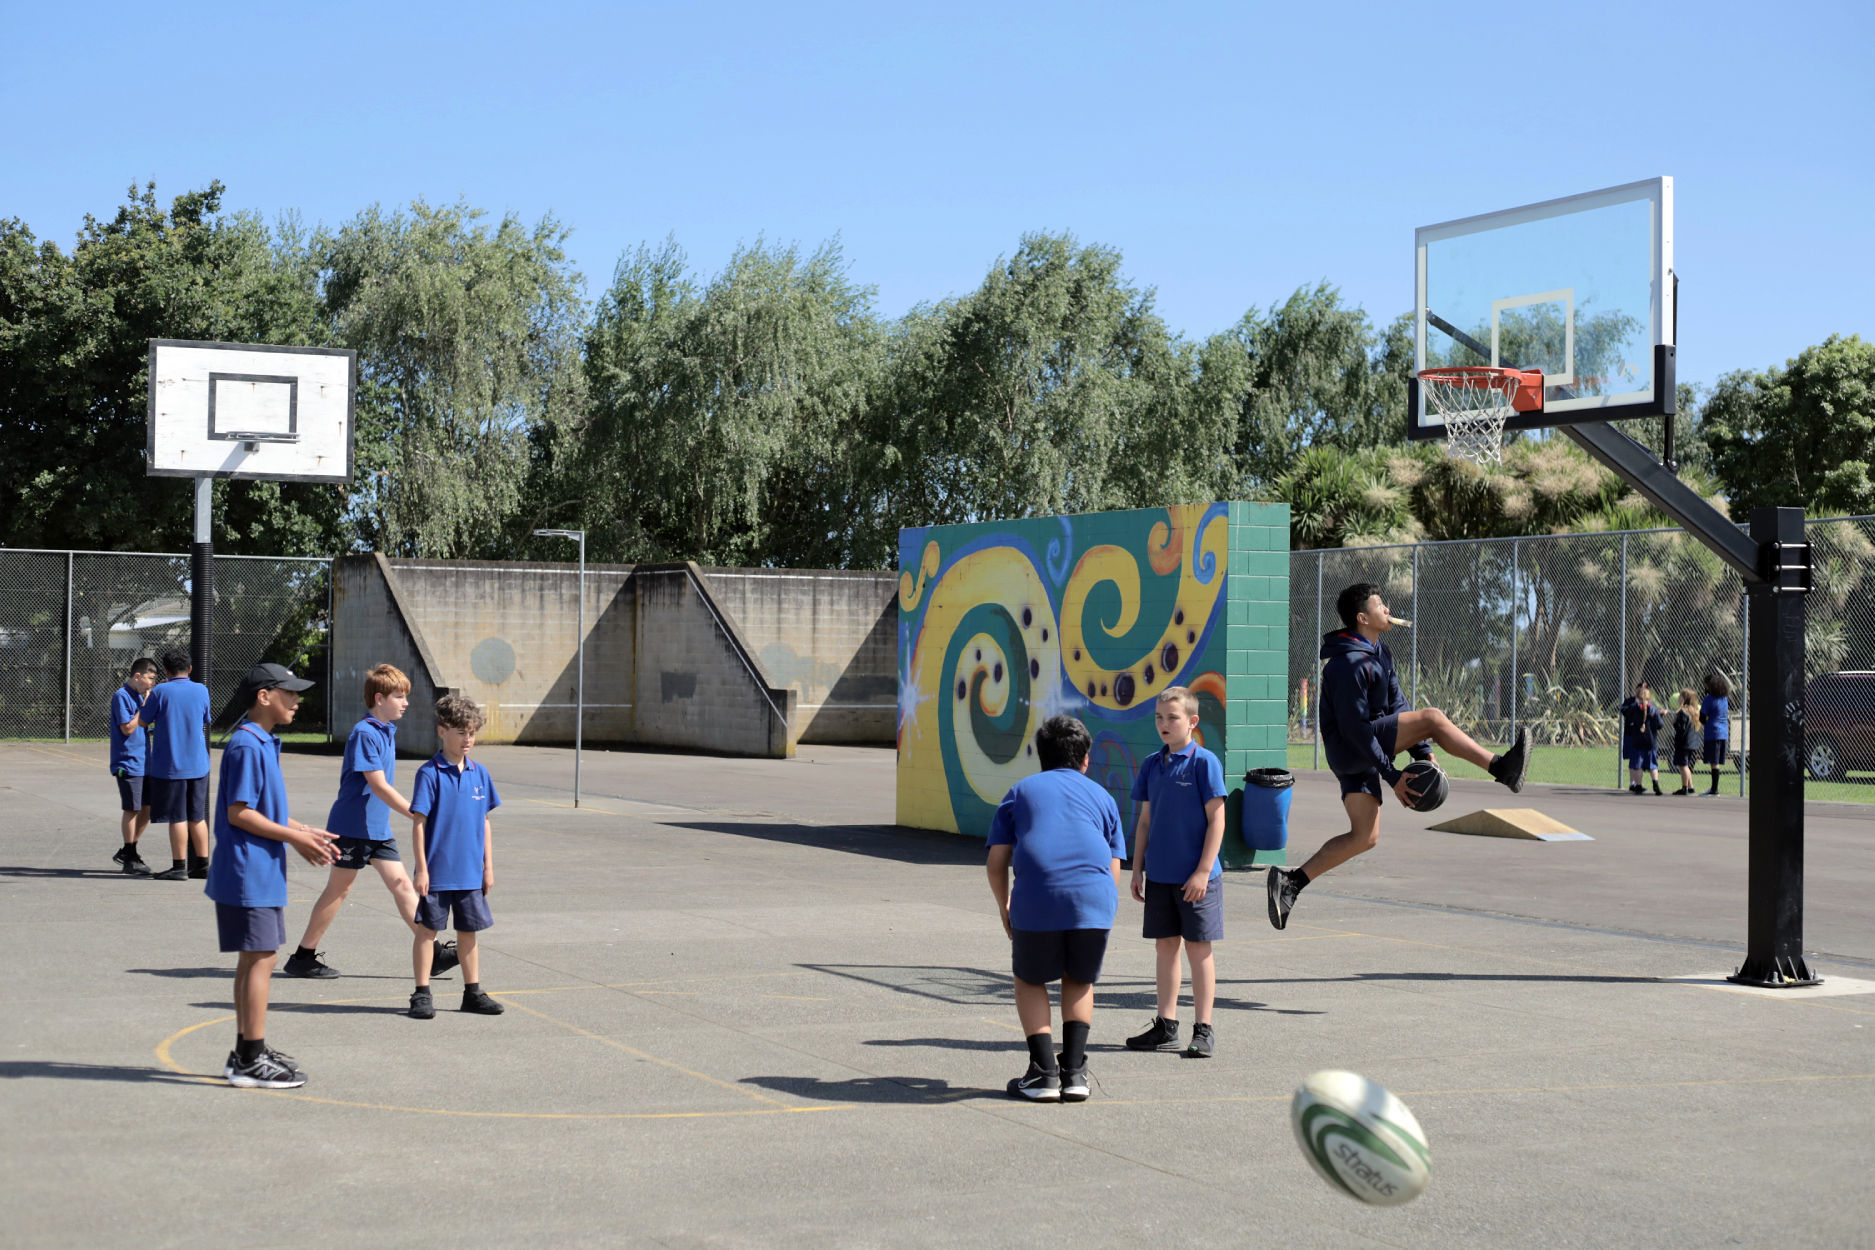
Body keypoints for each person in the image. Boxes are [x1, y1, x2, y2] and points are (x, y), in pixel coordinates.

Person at [1268, 582, 1531, 931]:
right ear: (1363, 617)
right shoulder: (1347, 664)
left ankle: (1291, 884)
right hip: (1353, 747)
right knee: (1433, 718)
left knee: (1365, 836)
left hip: (1361, 750)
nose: (1388, 610)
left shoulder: (1381, 654)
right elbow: (1357, 729)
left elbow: (1398, 706)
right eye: (1381, 606)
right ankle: (1501, 767)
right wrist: (1392, 775)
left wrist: (1423, 752)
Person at [204, 663, 338, 1088]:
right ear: (265, 697)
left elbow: (263, 810)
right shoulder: (247, 745)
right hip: (248, 871)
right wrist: (293, 840)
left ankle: (247, 1050)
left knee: (254, 959)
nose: (297, 701)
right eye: (290, 693)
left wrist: (301, 829)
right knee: (262, 959)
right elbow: (239, 814)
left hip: (255, 870)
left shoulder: (260, 741)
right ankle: (249, 1058)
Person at [282, 665, 460, 980]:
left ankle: (430, 953)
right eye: (399, 696)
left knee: (402, 884)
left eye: (406, 696)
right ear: (379, 698)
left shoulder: (385, 731)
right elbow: (378, 785)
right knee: (338, 891)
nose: (405, 702)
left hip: (377, 829)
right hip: (352, 827)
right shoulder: (365, 733)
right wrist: (417, 813)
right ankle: (302, 957)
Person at [986, 715, 1125, 1102]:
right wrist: (1100, 908)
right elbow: (1114, 864)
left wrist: (1004, 906)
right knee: (1079, 978)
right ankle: (1075, 1073)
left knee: (1030, 979)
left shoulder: (1020, 792)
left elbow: (997, 863)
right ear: (1085, 759)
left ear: (1039, 756)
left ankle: (1044, 1073)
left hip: (1039, 896)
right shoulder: (1103, 797)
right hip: (1094, 901)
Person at [1124, 686, 1227, 1059]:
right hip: (1161, 876)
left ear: (1192, 722)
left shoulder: (1204, 763)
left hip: (1198, 879)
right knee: (1166, 947)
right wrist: (1136, 869)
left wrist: (1202, 871)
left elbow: (1218, 820)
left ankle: (1204, 1029)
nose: (1164, 724)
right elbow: (1145, 822)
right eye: (1159, 717)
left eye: (1172, 718)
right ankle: (1165, 1026)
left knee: (1199, 949)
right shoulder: (1153, 763)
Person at [408, 696, 504, 1020]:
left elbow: (484, 822)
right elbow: (419, 823)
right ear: (442, 731)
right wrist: (422, 869)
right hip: (437, 872)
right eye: (461, 732)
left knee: (469, 932)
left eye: (472, 733)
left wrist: (488, 867)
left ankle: (472, 992)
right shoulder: (429, 774)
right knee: (426, 932)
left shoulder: (480, 774)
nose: (468, 740)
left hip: (469, 873)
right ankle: (421, 993)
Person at [139, 649, 213, 881]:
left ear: (166, 671)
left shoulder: (160, 691)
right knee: (197, 816)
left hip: (172, 765)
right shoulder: (202, 690)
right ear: (190, 669)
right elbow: (204, 719)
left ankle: (179, 865)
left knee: (177, 817)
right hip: (198, 763)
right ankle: (202, 864)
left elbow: (143, 720)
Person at [108, 657, 159, 875]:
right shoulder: (122, 697)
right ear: (137, 676)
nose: (151, 684)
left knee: (148, 808)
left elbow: (142, 728)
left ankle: (129, 849)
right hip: (128, 763)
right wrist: (144, 708)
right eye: (149, 678)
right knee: (132, 808)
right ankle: (130, 857)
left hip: (145, 762)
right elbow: (127, 728)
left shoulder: (140, 696)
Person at [1620, 681, 1666, 795]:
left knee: (1638, 764)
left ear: (1638, 697)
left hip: (1637, 740)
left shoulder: (1635, 708)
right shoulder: (1654, 709)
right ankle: (1656, 784)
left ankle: (1638, 785)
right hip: (1651, 741)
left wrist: (1635, 703)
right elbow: (1660, 725)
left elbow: (1626, 713)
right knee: (1652, 764)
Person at [1700, 672, 1732, 796]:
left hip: (1713, 733)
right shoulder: (1724, 699)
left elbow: (1702, 718)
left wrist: (1707, 719)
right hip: (1723, 732)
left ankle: (1714, 789)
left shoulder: (1709, 699)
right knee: (1716, 762)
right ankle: (1714, 788)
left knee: (1714, 762)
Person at [1669, 688, 1701, 795]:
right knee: (1687, 765)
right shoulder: (1694, 711)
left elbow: (1681, 728)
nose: (1678, 698)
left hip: (1683, 743)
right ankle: (1691, 787)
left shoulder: (1683, 712)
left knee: (1683, 766)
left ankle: (1684, 788)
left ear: (1684, 699)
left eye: (1680, 696)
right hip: (1693, 743)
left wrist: (1674, 723)